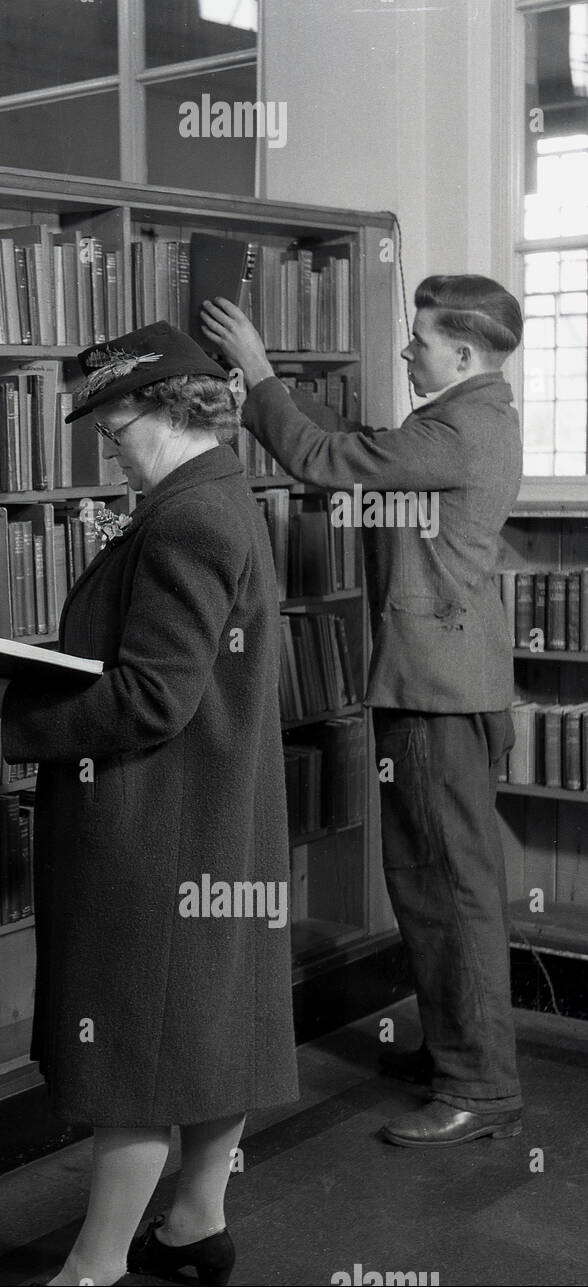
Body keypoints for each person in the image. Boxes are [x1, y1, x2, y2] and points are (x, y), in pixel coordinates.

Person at [0, 322, 298, 1286]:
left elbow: (154, 695)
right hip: (214, 811)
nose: (109, 441)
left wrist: (15, 705)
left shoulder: (187, 517)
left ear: (176, 409)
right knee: (204, 1026)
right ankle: (195, 1221)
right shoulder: (219, 493)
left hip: (161, 820)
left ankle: (92, 1271)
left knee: (138, 1048)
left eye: (118, 421)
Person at [202, 275, 524, 1148]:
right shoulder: (472, 415)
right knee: (442, 883)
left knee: (444, 889)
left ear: (461, 352)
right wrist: (269, 387)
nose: (408, 350)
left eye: (419, 339)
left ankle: (479, 1084)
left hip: (435, 689)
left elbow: (328, 462)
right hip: (452, 680)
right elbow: (368, 450)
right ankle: (462, 1052)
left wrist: (262, 374)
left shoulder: (456, 427)